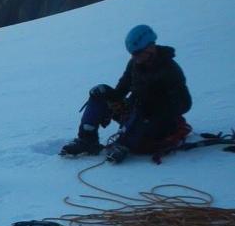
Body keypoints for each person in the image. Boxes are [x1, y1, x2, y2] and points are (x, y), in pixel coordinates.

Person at [60, 25, 192, 163]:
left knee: (144, 105)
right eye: (133, 54)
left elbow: (185, 104)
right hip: (135, 113)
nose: (135, 57)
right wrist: (106, 92)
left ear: (151, 47)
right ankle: (87, 140)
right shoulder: (135, 64)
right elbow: (121, 91)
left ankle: (124, 144)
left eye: (137, 53)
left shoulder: (169, 70)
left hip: (159, 124)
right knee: (100, 95)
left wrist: (156, 106)